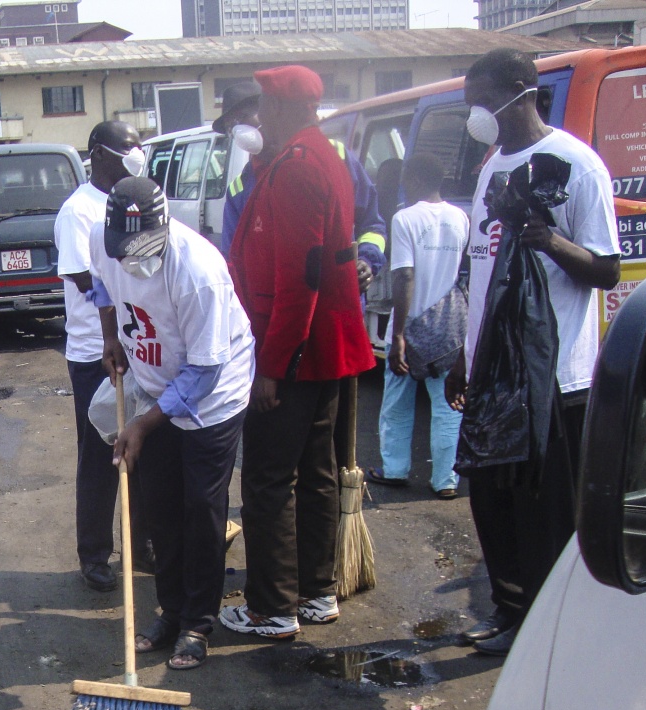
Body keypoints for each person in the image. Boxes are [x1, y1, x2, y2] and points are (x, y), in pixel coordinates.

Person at [447, 48, 620, 657]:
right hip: (493, 373)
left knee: (548, 514)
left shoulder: (577, 165)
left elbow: (605, 268)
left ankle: (556, 629)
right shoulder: (492, 167)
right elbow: (481, 267)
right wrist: (464, 354)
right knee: (493, 502)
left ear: (523, 91)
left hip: (555, 377)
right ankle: (509, 609)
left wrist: (549, 240)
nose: (477, 111)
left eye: (482, 97)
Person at [220, 64, 376, 640]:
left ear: (285, 109)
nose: (257, 116)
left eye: (263, 104)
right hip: (322, 350)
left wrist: (271, 367)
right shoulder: (310, 158)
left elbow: (299, 280)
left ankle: (271, 606)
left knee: (267, 479)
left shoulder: (299, 168)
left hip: (297, 353)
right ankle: (315, 592)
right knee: (314, 472)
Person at [89, 176, 256, 671]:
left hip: (213, 397)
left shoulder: (198, 270)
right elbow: (101, 285)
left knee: (201, 507)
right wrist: (111, 338)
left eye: (145, 251)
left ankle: (199, 623)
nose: (133, 261)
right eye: (125, 252)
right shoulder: (106, 245)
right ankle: (172, 610)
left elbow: (205, 369)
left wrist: (143, 425)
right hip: (154, 382)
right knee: (159, 506)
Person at [56, 119, 145, 592]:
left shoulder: (134, 200)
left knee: (143, 446)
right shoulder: (79, 211)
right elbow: (82, 278)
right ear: (99, 154)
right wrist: (120, 302)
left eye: (138, 146)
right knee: (100, 454)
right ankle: (94, 554)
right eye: (126, 148)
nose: (135, 154)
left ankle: (143, 542)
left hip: (140, 348)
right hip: (96, 352)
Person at [215, 82, 386, 291]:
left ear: (269, 111)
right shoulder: (240, 191)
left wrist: (367, 261)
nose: (236, 130)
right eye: (229, 126)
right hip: (282, 308)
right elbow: (233, 263)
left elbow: (372, 225)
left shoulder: (334, 157)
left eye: (241, 118)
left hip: (338, 302)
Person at [369, 153, 470, 499]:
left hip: (412, 323)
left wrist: (396, 333)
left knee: (398, 400)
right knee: (447, 404)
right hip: (449, 324)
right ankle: (445, 480)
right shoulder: (461, 217)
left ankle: (395, 469)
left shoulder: (404, 218)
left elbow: (405, 275)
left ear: (411, 179)